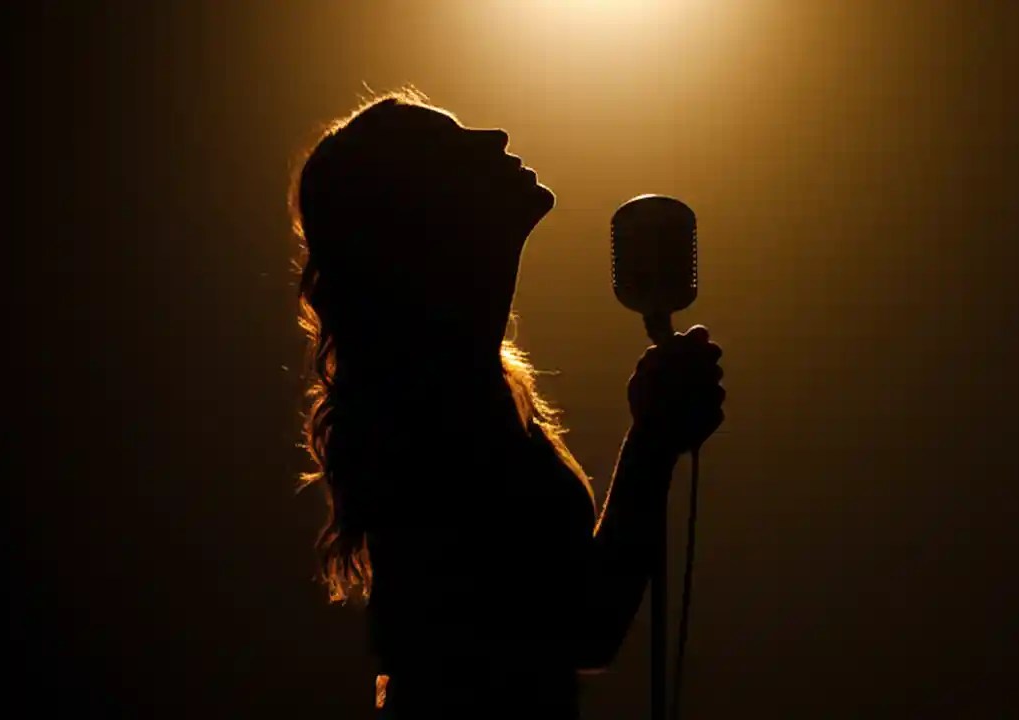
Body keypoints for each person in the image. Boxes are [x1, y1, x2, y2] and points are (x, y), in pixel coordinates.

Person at [289, 87, 725, 718]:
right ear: (425, 212)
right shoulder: (434, 413)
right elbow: (581, 626)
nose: (493, 137)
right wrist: (652, 442)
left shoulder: (465, 386)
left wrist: (654, 437)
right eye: (453, 144)